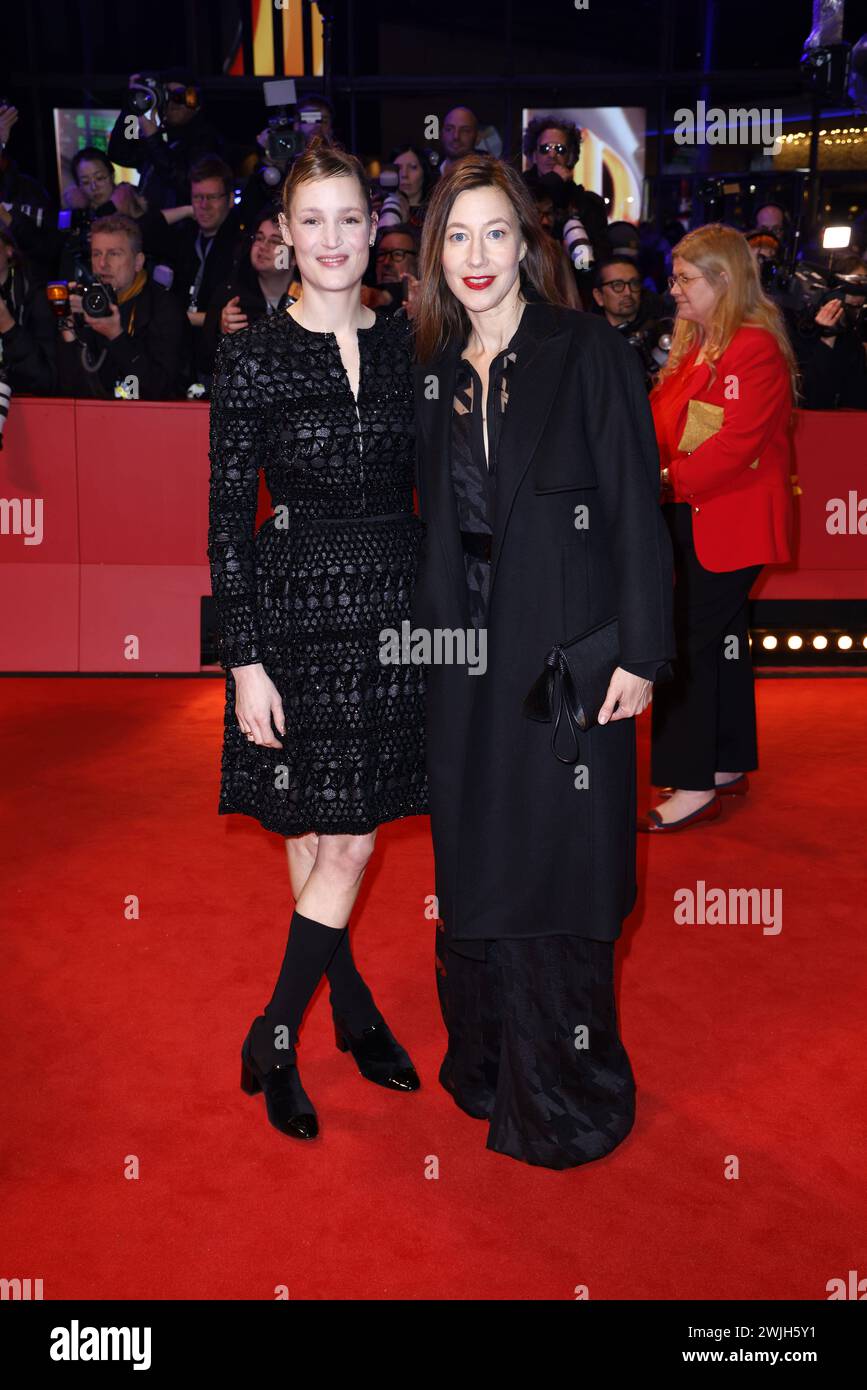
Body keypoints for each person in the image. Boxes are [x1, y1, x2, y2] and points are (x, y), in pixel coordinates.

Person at [411, 155, 675, 1170]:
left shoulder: (586, 349)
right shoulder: (431, 368)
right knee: (479, 857)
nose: (477, 257)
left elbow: (633, 512)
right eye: (457, 237)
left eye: (495, 234)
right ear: (436, 253)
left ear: (526, 243)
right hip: (466, 665)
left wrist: (641, 652)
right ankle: (487, 1064)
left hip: (568, 660)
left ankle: (563, 1091)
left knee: (558, 868)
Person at [207, 136, 428, 1142]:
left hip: (392, 613)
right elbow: (223, 520)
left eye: (351, 217)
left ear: (374, 226)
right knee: (331, 835)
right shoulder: (250, 354)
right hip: (294, 615)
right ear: (283, 235)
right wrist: (244, 659)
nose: (333, 239)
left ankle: (336, 1012)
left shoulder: (408, 345)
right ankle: (286, 1032)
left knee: (332, 832)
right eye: (313, 220)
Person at [644, 224, 798, 831]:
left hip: (728, 522)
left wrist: (662, 479)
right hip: (697, 517)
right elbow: (664, 424)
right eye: (675, 277)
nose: (674, 290)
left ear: (724, 281)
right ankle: (727, 759)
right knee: (724, 643)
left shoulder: (752, 348)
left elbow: (735, 444)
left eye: (686, 279)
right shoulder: (697, 346)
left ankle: (689, 781)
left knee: (685, 642)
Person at [55, 213, 188, 400]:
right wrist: (68, 329)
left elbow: (162, 389)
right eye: (96, 254)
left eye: (114, 254)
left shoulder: (164, 307)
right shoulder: (87, 302)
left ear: (138, 262)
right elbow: (69, 390)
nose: (102, 264)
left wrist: (116, 337)